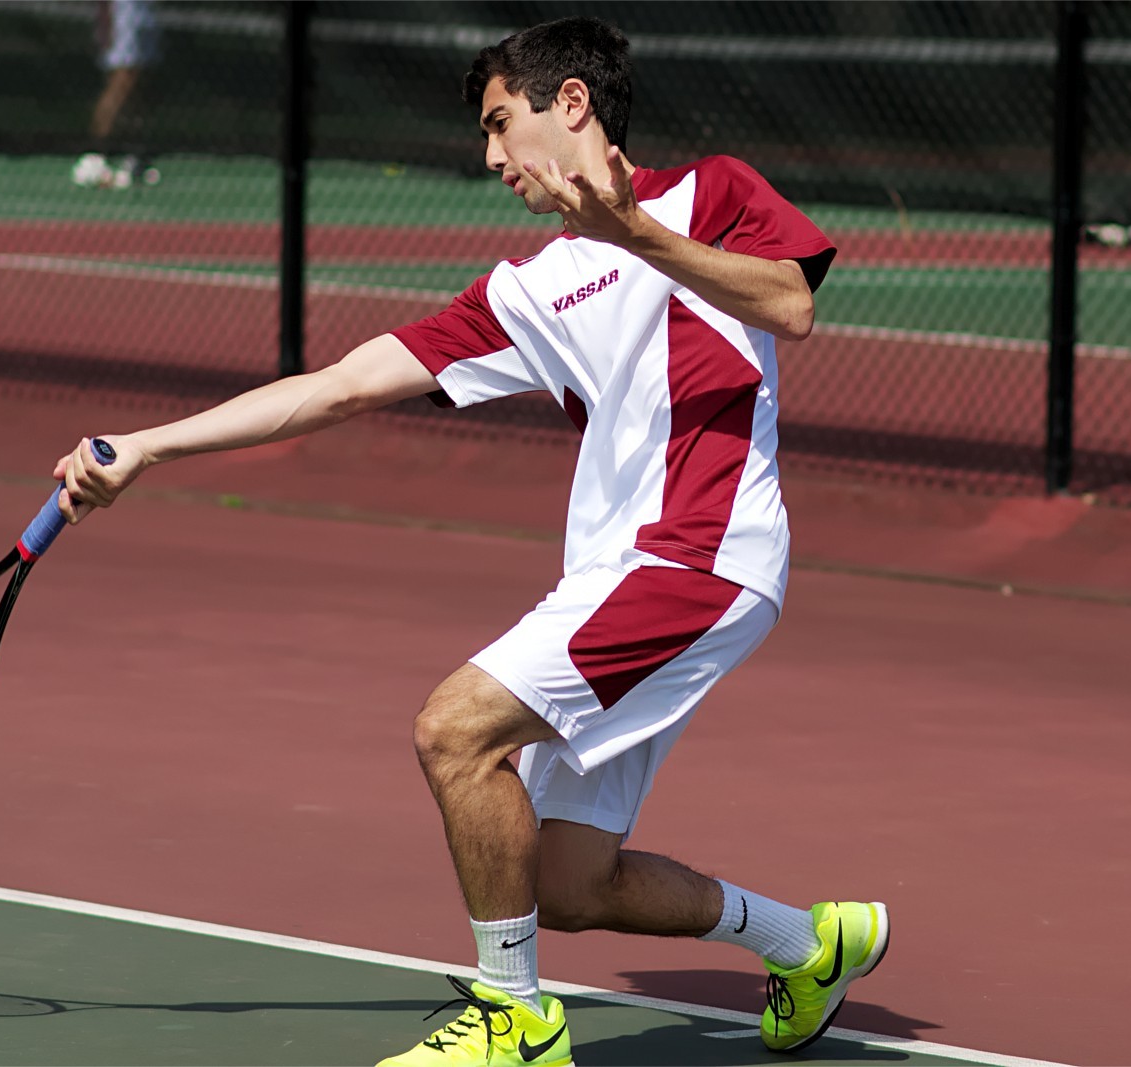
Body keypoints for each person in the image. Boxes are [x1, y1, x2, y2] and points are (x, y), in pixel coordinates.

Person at [52, 16, 888, 1066]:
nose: (490, 157)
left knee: (455, 729)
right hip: (623, 572)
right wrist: (147, 446)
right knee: (566, 883)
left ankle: (514, 1020)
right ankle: (810, 943)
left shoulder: (709, 192)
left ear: (570, 103)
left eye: (501, 124)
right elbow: (340, 385)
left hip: (699, 556)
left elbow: (791, 304)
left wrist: (637, 235)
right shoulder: (529, 291)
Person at [70, 0, 161, 190]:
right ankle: (93, 158)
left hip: (146, 8)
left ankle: (134, 158)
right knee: (121, 78)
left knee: (141, 80)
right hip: (123, 9)